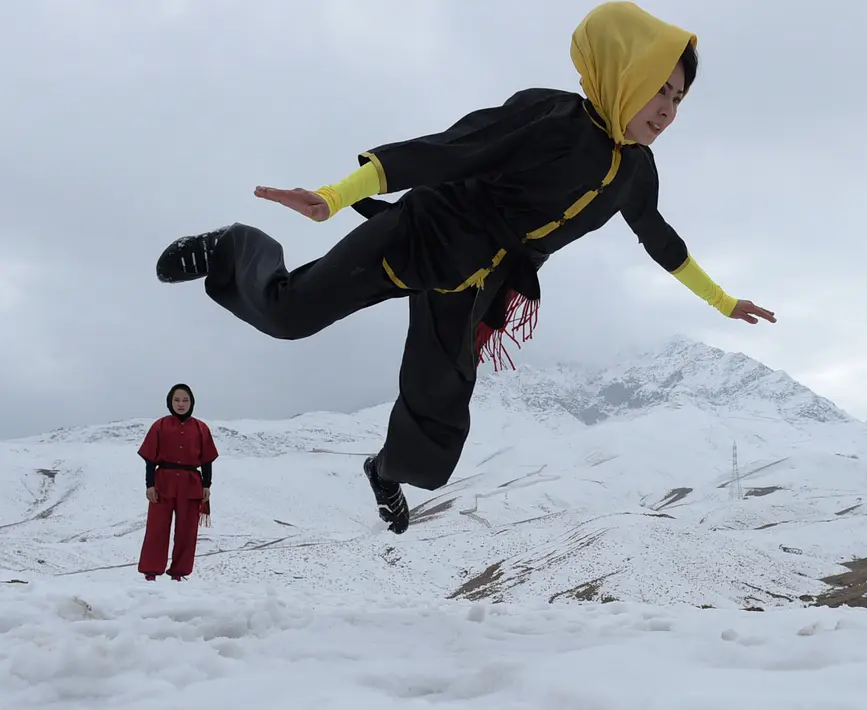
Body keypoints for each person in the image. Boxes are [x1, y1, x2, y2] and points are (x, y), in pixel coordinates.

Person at [152, 1, 775, 535]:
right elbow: (445, 153)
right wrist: (334, 196)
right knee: (288, 314)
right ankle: (235, 247)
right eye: (659, 88)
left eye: (678, 97)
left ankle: (382, 471)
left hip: (477, 286)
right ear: (625, 72)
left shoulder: (637, 171)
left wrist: (724, 302)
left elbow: (660, 238)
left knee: (435, 442)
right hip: (424, 234)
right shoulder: (550, 118)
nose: (667, 109)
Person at [136, 383, 219, 581]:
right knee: (157, 528)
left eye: (185, 400)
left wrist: (207, 485)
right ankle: (151, 572)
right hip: (163, 481)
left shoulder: (201, 428)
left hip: (191, 484)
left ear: (191, 403)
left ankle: (179, 574)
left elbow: (207, 459)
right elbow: (150, 458)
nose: (181, 404)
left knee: (187, 531)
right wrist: (150, 485)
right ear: (169, 402)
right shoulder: (160, 426)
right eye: (176, 400)